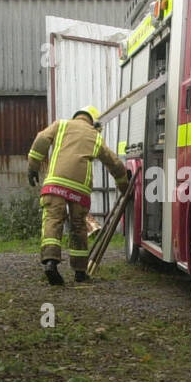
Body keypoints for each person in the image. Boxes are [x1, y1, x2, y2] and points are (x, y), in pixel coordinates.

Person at [27, 105, 129, 286]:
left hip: (55, 183)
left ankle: (50, 262)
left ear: (77, 116)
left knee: (52, 220)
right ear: (94, 123)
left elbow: (41, 139)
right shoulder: (95, 136)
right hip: (79, 189)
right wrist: (123, 186)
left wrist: (33, 166)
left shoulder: (62, 125)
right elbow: (114, 163)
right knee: (78, 226)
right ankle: (80, 272)